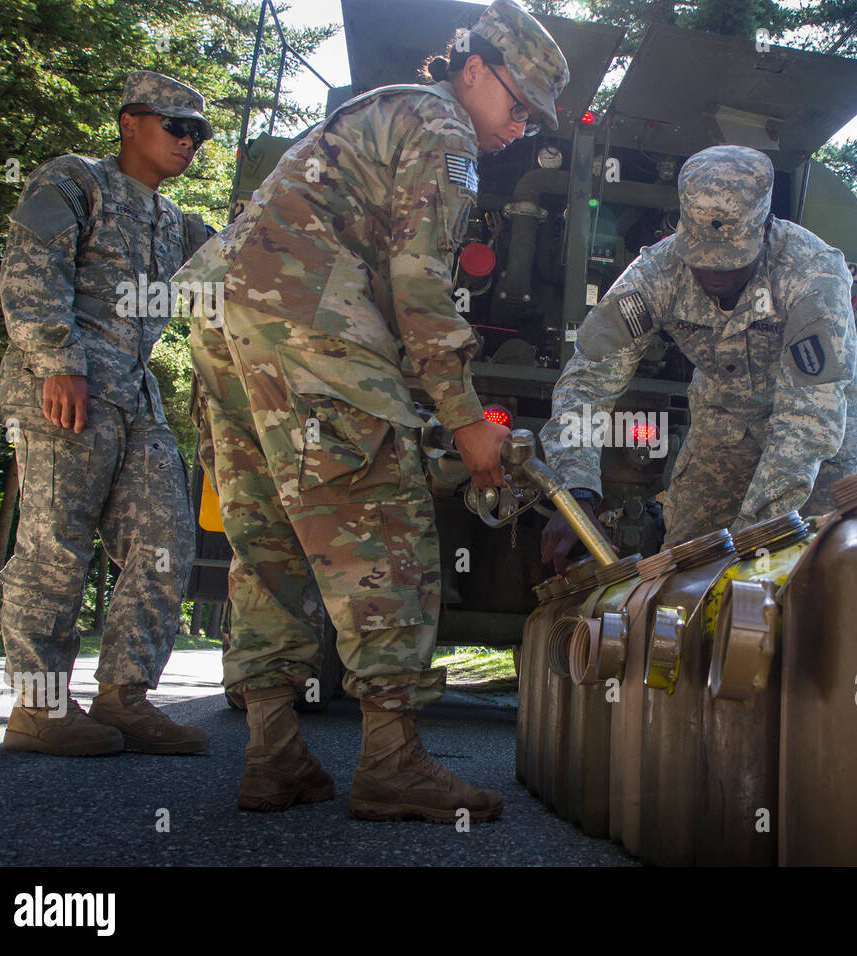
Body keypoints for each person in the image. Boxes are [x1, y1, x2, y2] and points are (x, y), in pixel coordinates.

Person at [179, 0, 568, 820]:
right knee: (384, 527)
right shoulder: (445, 129)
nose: (521, 126)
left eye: (535, 116)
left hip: (226, 326)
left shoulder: (382, 109)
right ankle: (391, 761)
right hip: (310, 323)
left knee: (269, 534)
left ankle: (273, 754)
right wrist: (467, 422)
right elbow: (419, 281)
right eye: (517, 102)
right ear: (473, 69)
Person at [0, 70, 213, 756]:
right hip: (69, 382)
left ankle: (124, 696)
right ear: (130, 121)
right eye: (176, 126)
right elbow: (31, 272)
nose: (189, 143)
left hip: (136, 397)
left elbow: (243, 255)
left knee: (166, 539)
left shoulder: (173, 220)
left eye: (198, 133)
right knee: (56, 542)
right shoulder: (73, 179)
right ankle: (39, 708)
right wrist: (58, 361)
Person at [540, 145, 857, 571]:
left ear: (764, 228)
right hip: (723, 436)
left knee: (820, 582)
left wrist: (749, 543)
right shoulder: (656, 275)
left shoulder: (812, 276)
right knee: (684, 575)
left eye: (732, 262)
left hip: (821, 454)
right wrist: (577, 493)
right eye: (702, 259)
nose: (715, 275)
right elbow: (588, 379)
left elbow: (807, 422)